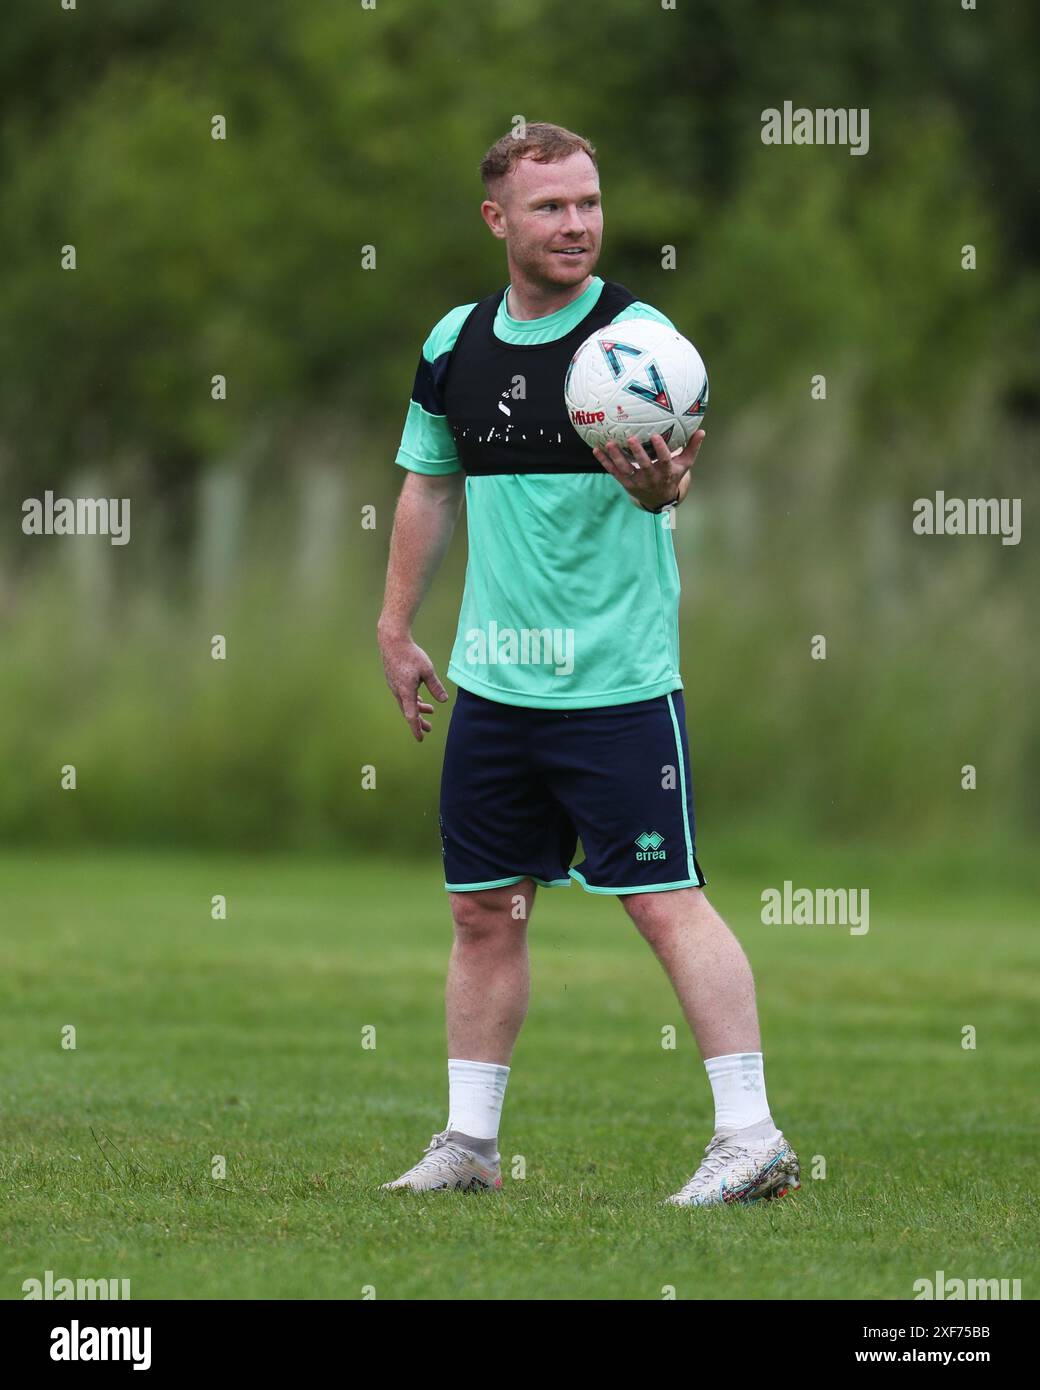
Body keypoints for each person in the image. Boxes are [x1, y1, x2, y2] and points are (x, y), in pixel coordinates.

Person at [376, 122, 798, 1206]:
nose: (576, 225)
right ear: (497, 220)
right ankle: (469, 1144)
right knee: (482, 909)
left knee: (663, 900)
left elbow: (671, 480)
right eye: (551, 207)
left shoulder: (637, 343)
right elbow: (429, 483)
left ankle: (749, 1135)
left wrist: (662, 495)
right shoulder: (454, 344)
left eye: (588, 204)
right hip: (494, 687)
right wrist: (394, 625)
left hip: (614, 687)